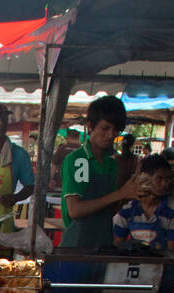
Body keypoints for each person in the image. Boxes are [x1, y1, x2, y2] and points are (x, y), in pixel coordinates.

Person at [59, 96, 142, 250]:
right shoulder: (79, 160)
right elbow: (75, 210)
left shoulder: (111, 163)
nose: (110, 135)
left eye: (115, 130)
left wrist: (127, 197)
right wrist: (120, 194)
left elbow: (106, 212)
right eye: (105, 128)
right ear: (90, 126)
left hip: (103, 246)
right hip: (76, 248)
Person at [112, 155, 174, 252]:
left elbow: (172, 253)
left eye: (167, 179)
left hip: (162, 265)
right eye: (159, 179)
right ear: (145, 178)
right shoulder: (127, 211)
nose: (165, 184)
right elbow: (118, 248)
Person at [0, 103, 34, 234]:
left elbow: (30, 186)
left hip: (4, 222)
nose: (1, 123)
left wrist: (15, 197)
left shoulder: (19, 154)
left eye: (5, 120)